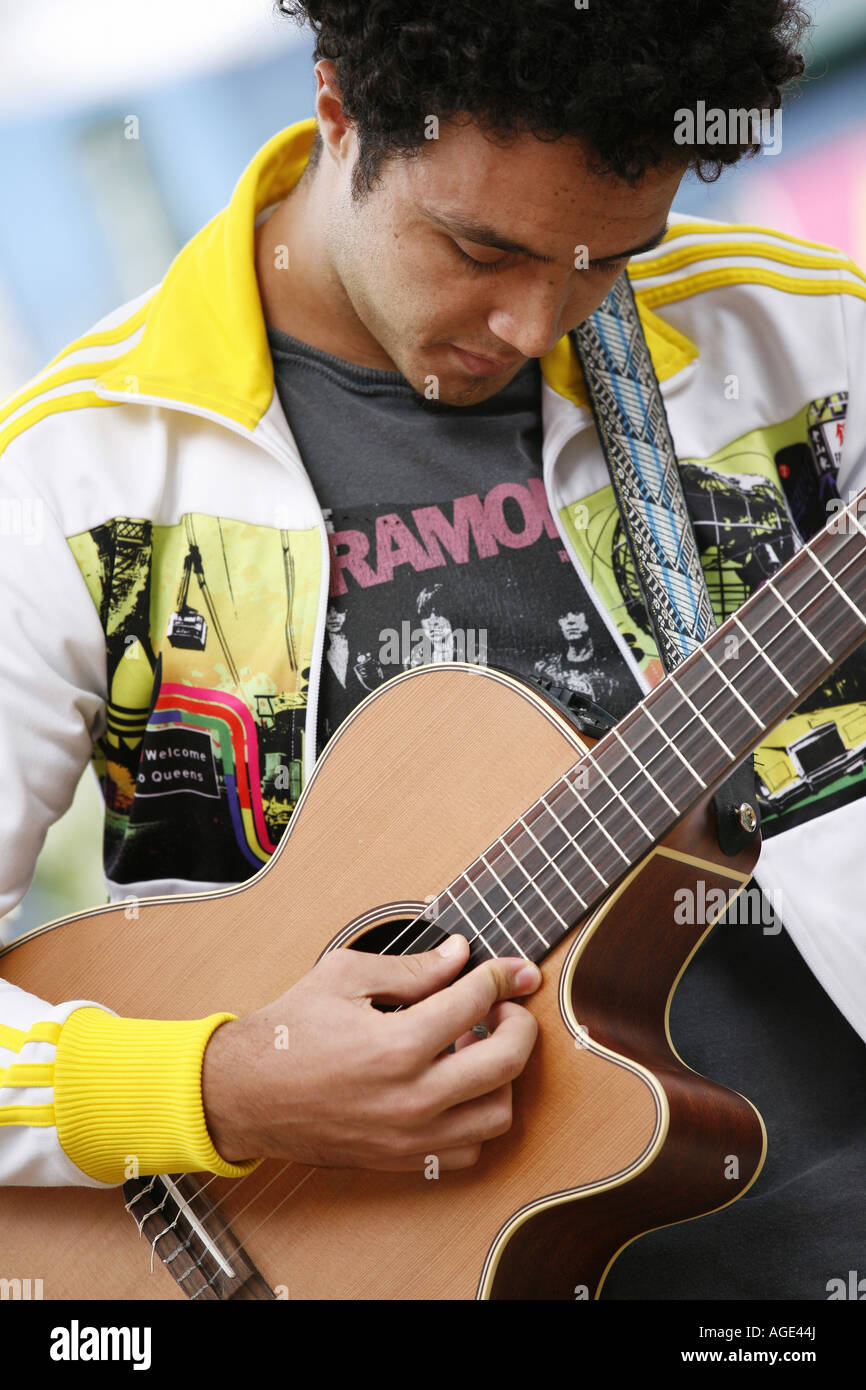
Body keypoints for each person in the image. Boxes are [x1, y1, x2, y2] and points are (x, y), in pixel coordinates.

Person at [1, 0, 865, 1299]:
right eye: (479, 247)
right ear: (337, 105)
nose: (531, 320)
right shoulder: (75, 477)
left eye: (600, 261)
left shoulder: (806, 342)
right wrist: (216, 1087)